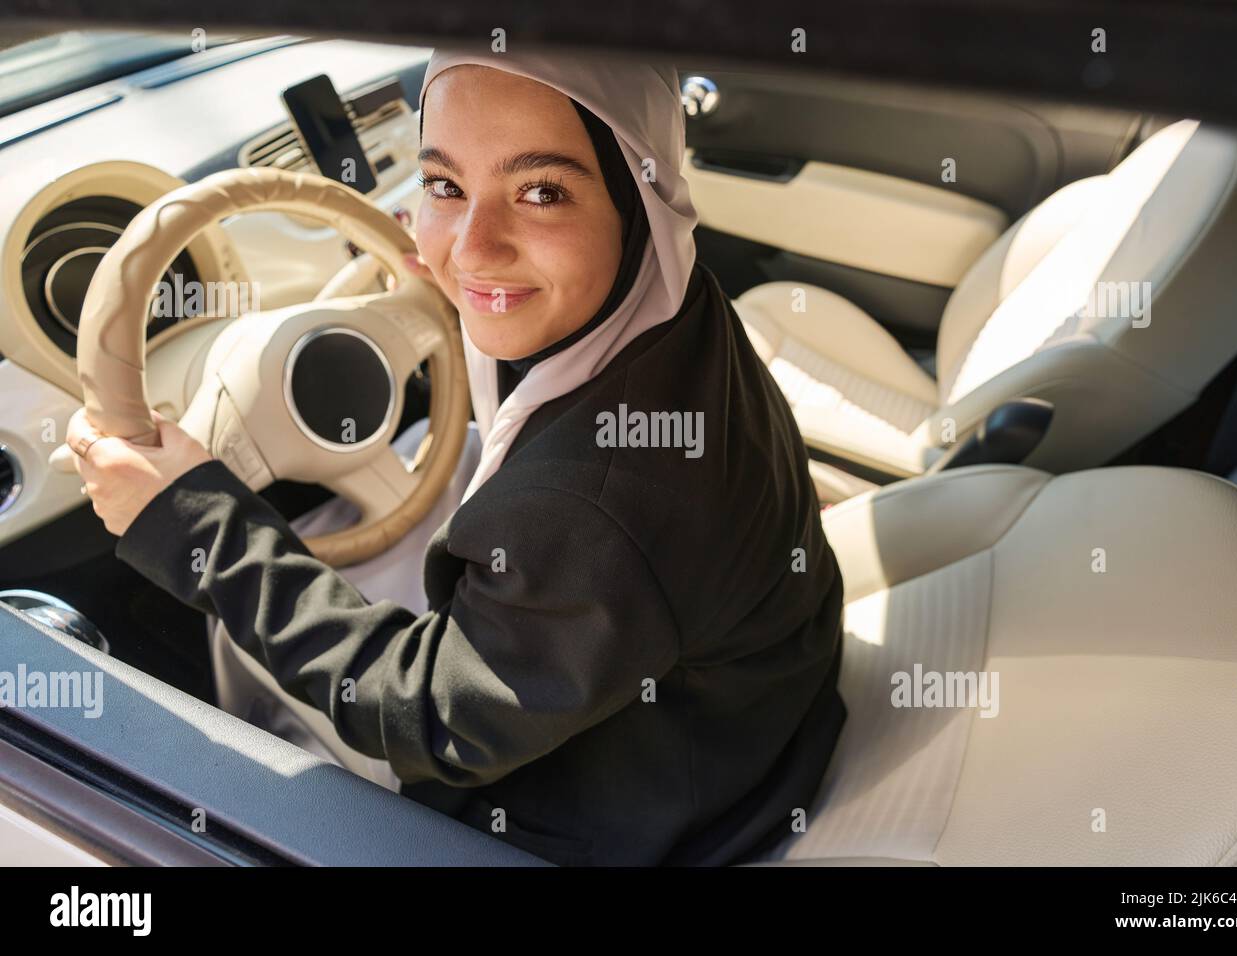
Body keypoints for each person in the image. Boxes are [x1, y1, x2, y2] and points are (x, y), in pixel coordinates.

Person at [65, 43, 847, 866]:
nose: (473, 247)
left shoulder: (592, 507)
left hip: (641, 819)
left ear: (635, 200)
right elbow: (495, 271)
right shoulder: (673, 295)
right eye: (444, 186)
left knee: (235, 653)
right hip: (756, 727)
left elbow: (431, 719)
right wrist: (473, 292)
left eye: (541, 193)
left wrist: (193, 522)